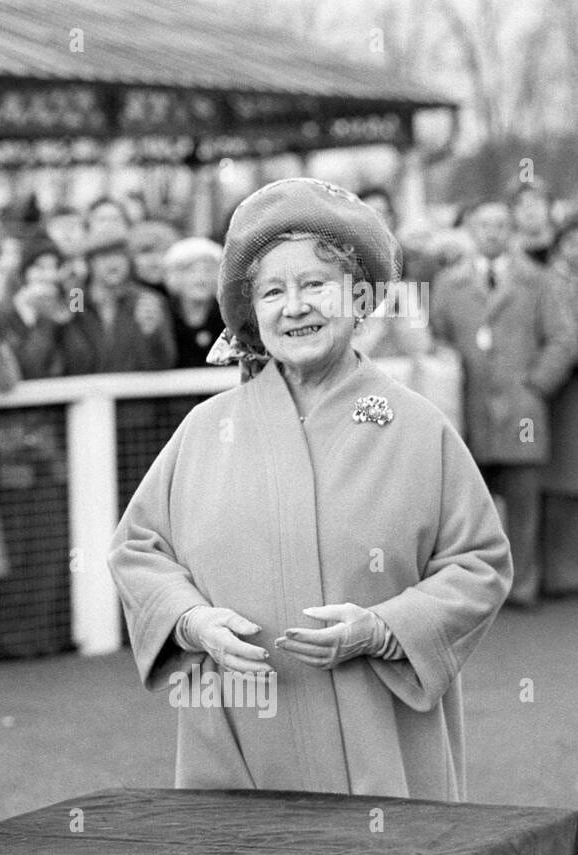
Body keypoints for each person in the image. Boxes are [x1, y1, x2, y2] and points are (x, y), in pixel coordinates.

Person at [109, 178, 512, 801]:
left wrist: (384, 628)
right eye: (273, 291)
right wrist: (190, 621)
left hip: (381, 729)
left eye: (316, 285)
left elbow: (479, 564)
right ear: (252, 315)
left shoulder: (416, 426)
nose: (294, 306)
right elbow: (138, 550)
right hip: (237, 731)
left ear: (360, 298)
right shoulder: (205, 428)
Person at [429, 197, 577, 606]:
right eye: (483, 225)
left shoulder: (539, 280)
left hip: (522, 411)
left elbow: (563, 339)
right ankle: (476, 591)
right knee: (468, 509)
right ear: (471, 230)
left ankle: (523, 585)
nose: (492, 232)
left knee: (524, 503)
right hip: (468, 410)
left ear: (510, 231)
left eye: (499, 225)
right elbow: (436, 338)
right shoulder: (448, 283)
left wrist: (537, 386)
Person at [59, 223, 176, 374]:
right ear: (90, 262)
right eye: (104, 256)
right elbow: (70, 357)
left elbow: (163, 363)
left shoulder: (146, 299)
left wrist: (152, 335)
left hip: (132, 393)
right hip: (86, 393)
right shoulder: (77, 297)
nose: (113, 263)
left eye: (120, 255)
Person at [542, 214, 578, 593]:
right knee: (562, 486)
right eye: (570, 242)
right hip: (563, 390)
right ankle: (558, 573)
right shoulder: (551, 282)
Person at [0, 239, 67, 379]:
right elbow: (30, 366)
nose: (50, 275)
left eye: (55, 267)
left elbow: (79, 316)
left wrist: (75, 286)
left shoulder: (67, 303)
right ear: (25, 272)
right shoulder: (2, 312)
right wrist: (40, 315)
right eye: (40, 267)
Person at [161, 236, 225, 368]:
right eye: (191, 271)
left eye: (208, 270)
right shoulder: (164, 314)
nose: (200, 278)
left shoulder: (229, 316)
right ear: (174, 276)